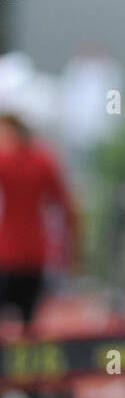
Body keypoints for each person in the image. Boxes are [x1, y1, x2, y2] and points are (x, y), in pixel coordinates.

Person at [0, 111, 80, 334]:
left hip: (6, 254)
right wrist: (72, 250)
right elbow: (66, 205)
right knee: (29, 325)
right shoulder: (44, 160)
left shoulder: (4, 160)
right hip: (35, 252)